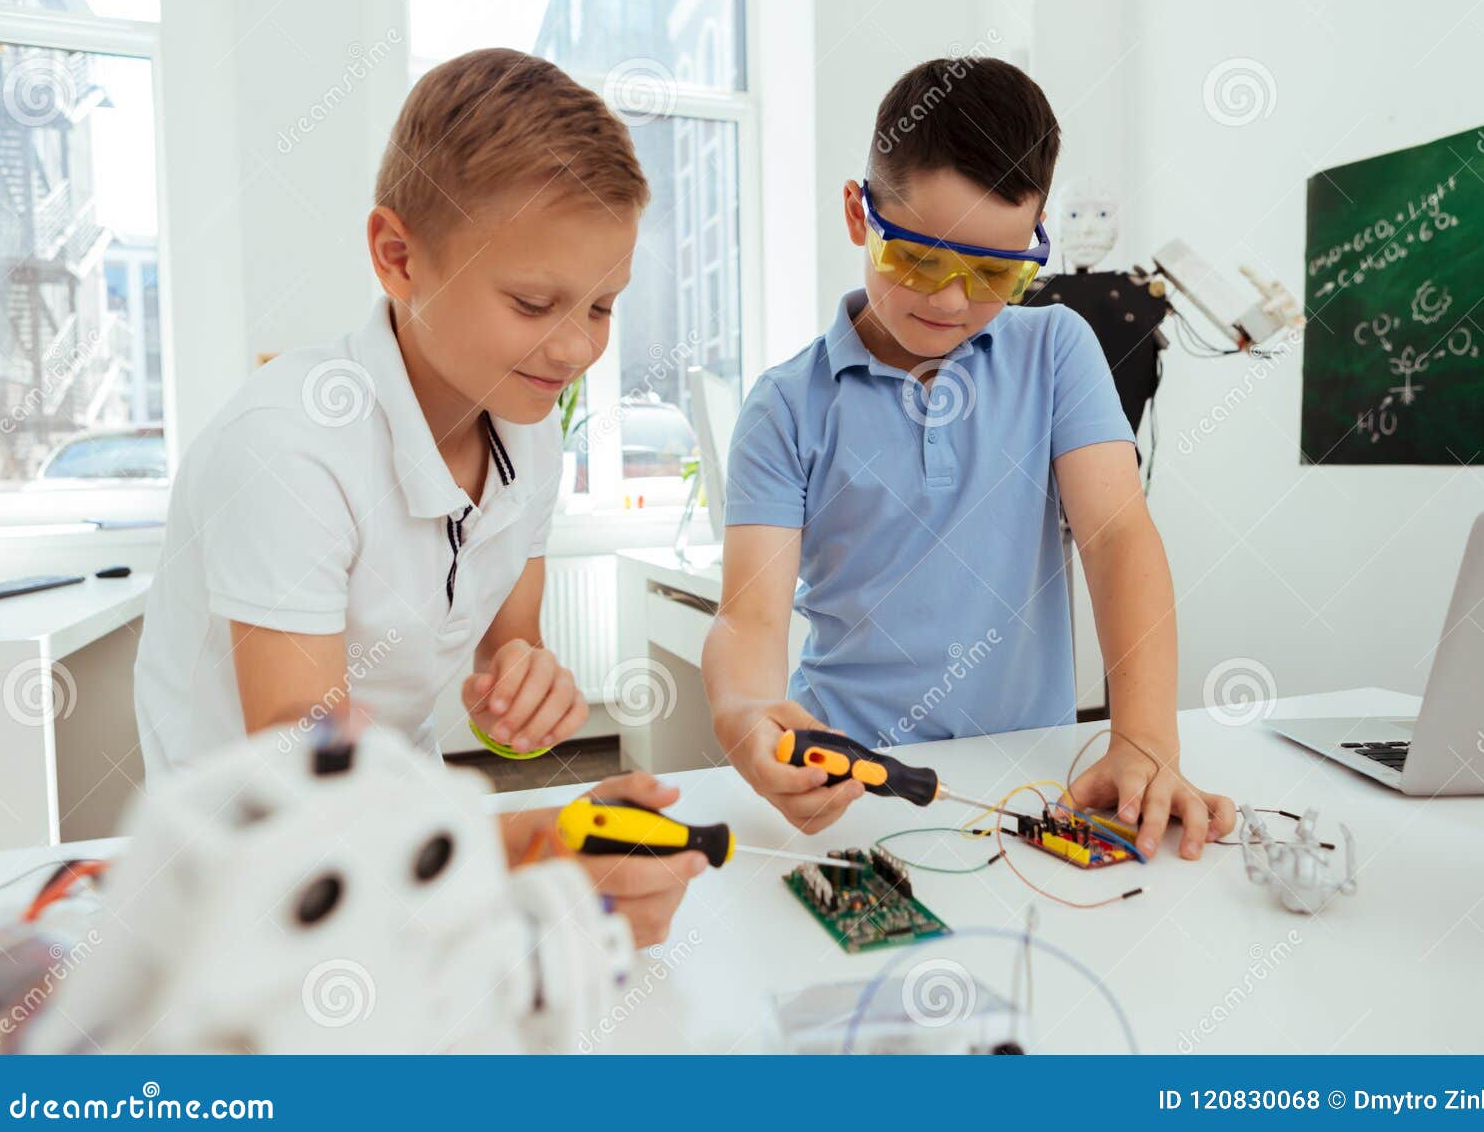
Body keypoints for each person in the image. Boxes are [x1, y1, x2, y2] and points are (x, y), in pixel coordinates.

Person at [134, 49, 702, 944]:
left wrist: (525, 685)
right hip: (243, 872)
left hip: (403, 836)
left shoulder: (530, 431)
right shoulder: (287, 448)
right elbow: (302, 768)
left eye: (601, 307)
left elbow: (508, 643)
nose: (575, 350)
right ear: (398, 257)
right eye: (532, 302)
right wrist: (535, 840)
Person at [703, 58, 1235, 859]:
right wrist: (745, 713)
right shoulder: (786, 407)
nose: (951, 302)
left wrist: (1148, 738)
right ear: (858, 212)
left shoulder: (1057, 350)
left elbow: (1118, 535)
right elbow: (751, 615)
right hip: (852, 782)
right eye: (918, 259)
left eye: (995, 273)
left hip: (1026, 778)